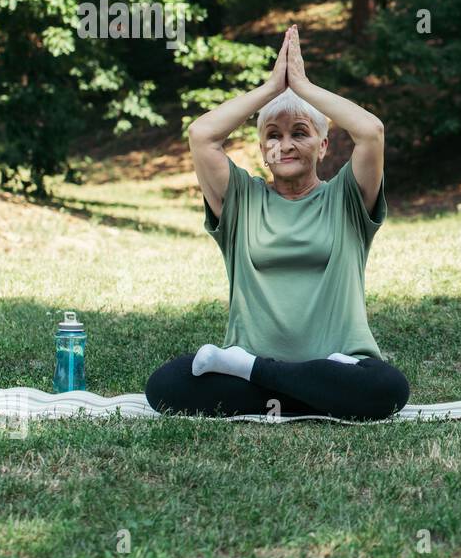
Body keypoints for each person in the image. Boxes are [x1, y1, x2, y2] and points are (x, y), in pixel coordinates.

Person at [144, 25, 410, 420]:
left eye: (299, 133)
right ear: (262, 151)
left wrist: (301, 86)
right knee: (165, 387)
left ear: (323, 145)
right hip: (295, 373)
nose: (284, 145)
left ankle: (261, 374)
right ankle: (313, 390)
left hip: (333, 364)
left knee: (388, 389)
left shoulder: (346, 199)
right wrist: (272, 87)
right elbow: (201, 135)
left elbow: (370, 132)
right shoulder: (241, 201)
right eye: (273, 135)